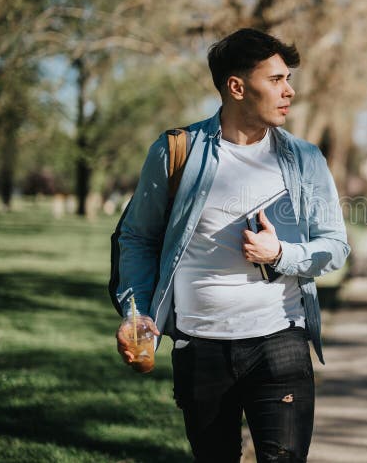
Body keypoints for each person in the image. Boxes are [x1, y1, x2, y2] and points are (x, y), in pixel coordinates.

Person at [114, 28, 350, 462]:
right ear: (237, 87)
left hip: (280, 341)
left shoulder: (304, 159)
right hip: (200, 345)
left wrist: (280, 254)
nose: (289, 91)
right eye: (276, 80)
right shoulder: (176, 152)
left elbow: (334, 245)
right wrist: (138, 311)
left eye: (288, 79)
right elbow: (137, 237)